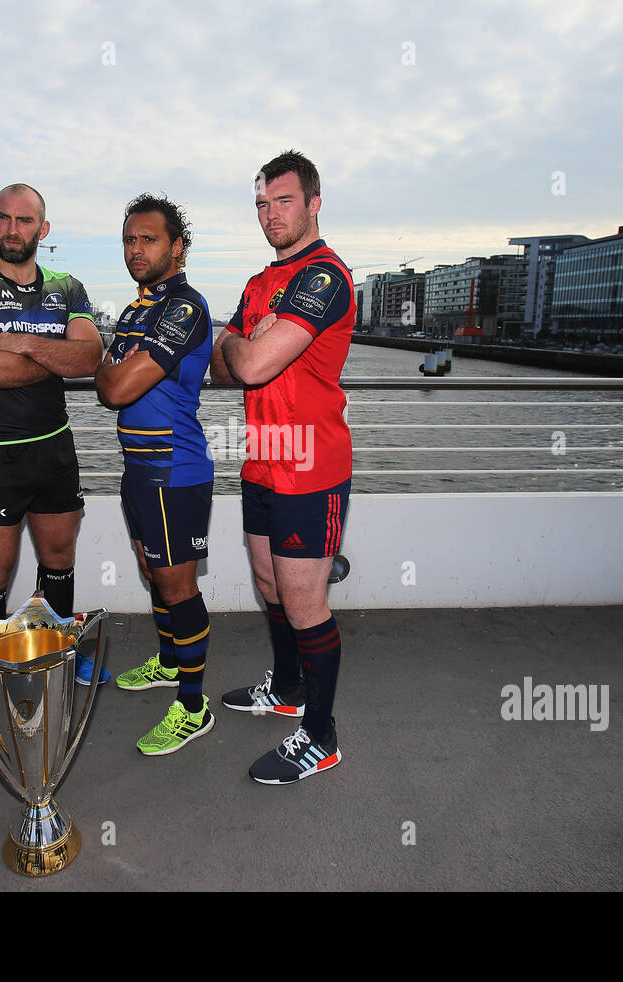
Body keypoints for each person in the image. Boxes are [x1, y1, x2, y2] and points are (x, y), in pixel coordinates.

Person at [210, 150, 355, 784]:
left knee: (304, 602)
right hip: (263, 460)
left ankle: (320, 736)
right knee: (269, 584)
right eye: (263, 204)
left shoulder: (324, 277)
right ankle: (289, 687)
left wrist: (240, 343)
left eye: (285, 201)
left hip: (311, 470)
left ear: (314, 203)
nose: (272, 214)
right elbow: (224, 364)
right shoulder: (258, 284)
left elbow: (250, 365)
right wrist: (243, 340)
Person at [0, 184, 108, 682]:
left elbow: (90, 356)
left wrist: (18, 341)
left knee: (59, 557)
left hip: (54, 447)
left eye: (26, 220)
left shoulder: (66, 285)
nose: (14, 229)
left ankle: (57, 655)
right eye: (5, 218)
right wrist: (52, 353)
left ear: (44, 229)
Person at [96, 194, 214, 755]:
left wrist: (108, 369)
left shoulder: (185, 308)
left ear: (177, 247)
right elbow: (110, 382)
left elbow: (114, 387)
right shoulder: (133, 311)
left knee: (177, 585)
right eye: (128, 240)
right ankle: (170, 662)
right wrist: (109, 369)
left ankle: (193, 707)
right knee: (152, 569)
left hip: (175, 470)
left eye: (147, 239)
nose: (135, 249)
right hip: (136, 468)